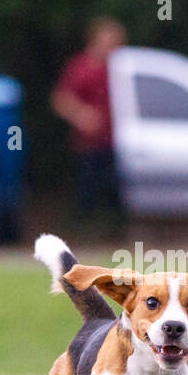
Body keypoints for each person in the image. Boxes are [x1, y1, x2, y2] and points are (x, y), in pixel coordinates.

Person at [52, 17, 126, 227]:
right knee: (87, 193)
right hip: (89, 145)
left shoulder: (122, 67)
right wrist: (82, 115)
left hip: (120, 143)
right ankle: (86, 233)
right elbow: (61, 99)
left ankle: (115, 234)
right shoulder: (81, 67)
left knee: (117, 195)